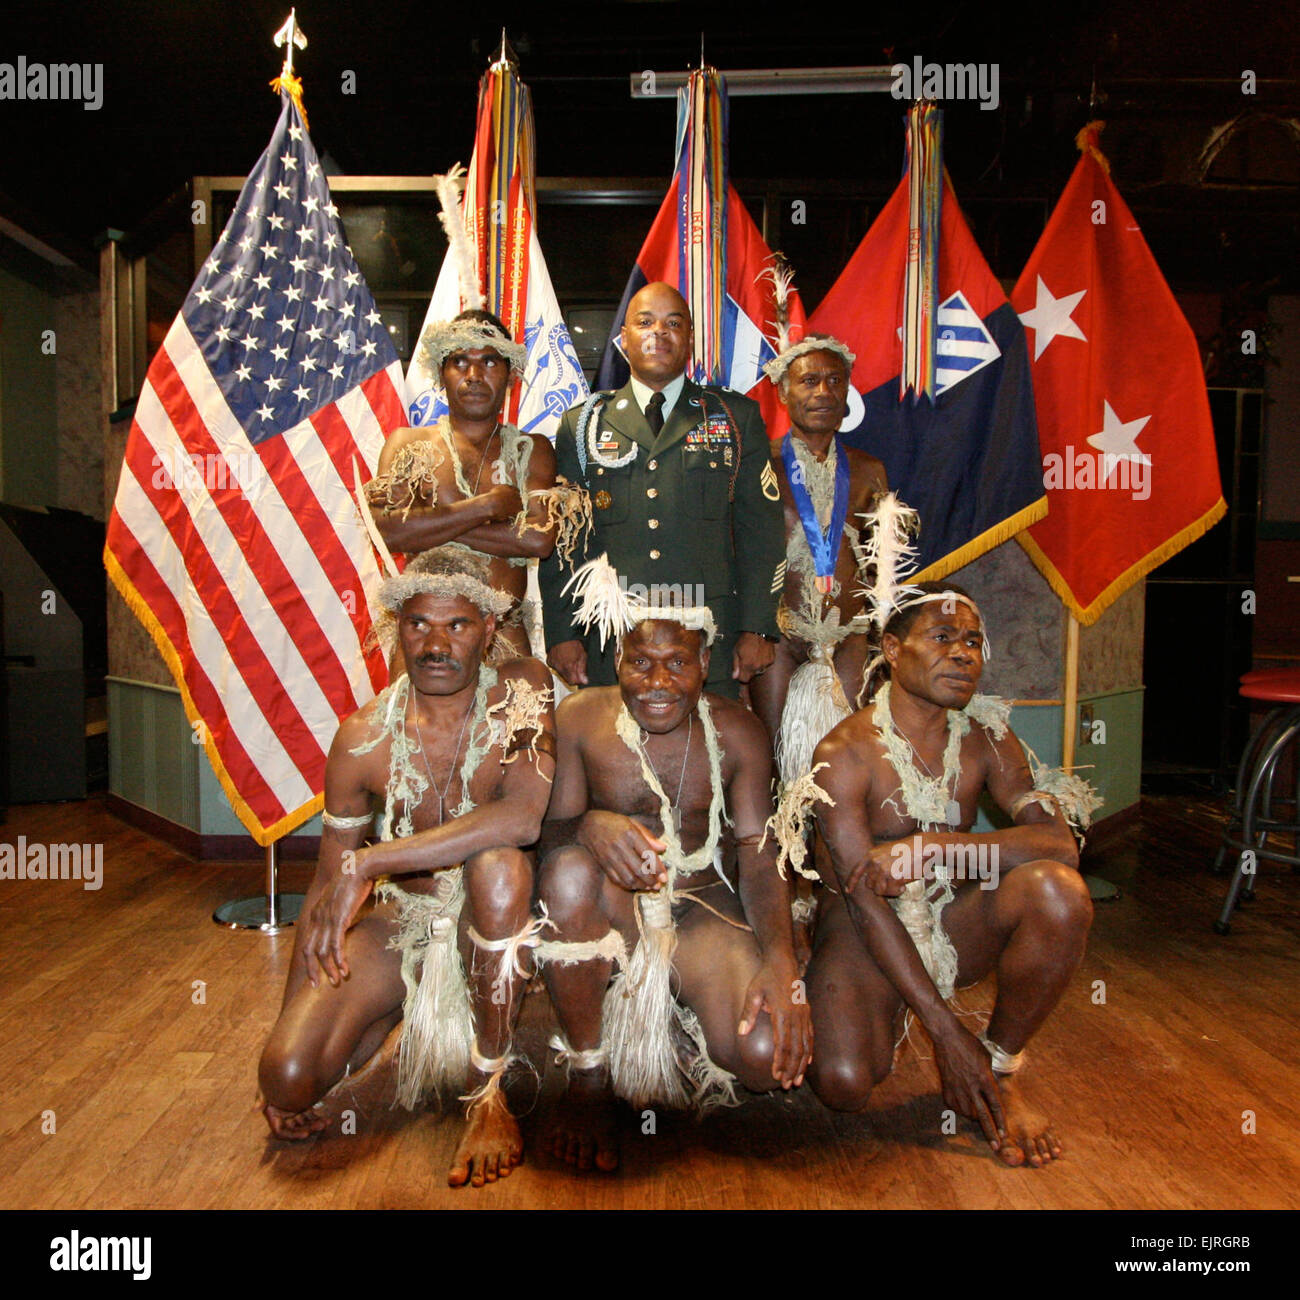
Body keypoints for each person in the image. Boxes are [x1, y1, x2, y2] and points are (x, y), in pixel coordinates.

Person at [257, 545, 556, 1188]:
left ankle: (488, 1091)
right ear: (398, 629)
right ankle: (405, 1007)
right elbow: (326, 885)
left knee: (498, 866)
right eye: (418, 623)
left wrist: (371, 862)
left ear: (490, 630)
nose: (435, 643)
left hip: (502, 919)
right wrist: (295, 1009)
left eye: (458, 625)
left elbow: (521, 818)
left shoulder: (524, 692)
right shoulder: (361, 736)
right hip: (406, 922)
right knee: (287, 1077)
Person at [797, 581, 1096, 1168]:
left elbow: (1058, 844)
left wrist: (934, 849)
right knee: (845, 1084)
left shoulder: (988, 735)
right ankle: (858, 997)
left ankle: (1004, 1070)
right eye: (942, 637)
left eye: (974, 642)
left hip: (953, 923)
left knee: (1057, 894)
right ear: (890, 647)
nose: (963, 654)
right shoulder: (845, 752)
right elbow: (864, 902)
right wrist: (950, 1037)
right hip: (865, 933)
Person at [534, 556, 813, 1172]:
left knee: (766, 1061)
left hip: (702, 907)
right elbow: (543, 836)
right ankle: (588, 1078)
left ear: (704, 666)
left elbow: (758, 856)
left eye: (677, 663)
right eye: (640, 662)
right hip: (613, 911)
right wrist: (586, 824)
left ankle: (676, 1025)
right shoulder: (580, 717)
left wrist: (781, 961)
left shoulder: (738, 730)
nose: (657, 681)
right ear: (617, 661)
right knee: (568, 873)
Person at [539, 282, 785, 698]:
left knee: (707, 756)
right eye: (645, 322)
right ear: (624, 339)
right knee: (611, 756)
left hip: (708, 633)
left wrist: (757, 625)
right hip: (611, 635)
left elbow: (761, 530)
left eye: (674, 323)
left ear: (690, 338)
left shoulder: (733, 416)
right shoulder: (582, 425)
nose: (659, 333)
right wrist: (562, 632)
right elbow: (566, 539)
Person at [366, 309, 584, 657]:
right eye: (460, 361)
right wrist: (486, 507)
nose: (474, 375)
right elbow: (388, 533)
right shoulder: (407, 445)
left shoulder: (531, 449)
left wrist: (428, 522)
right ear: (441, 372)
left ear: (510, 374)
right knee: (410, 713)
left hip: (503, 636)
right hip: (425, 637)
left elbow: (539, 539)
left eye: (489, 362)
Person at [748, 334, 887, 751]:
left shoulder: (868, 469)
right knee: (776, 752)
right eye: (809, 382)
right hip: (778, 633)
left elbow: (881, 568)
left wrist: (883, 641)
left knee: (850, 755)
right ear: (785, 393)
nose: (823, 392)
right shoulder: (759, 465)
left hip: (849, 634)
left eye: (834, 381)